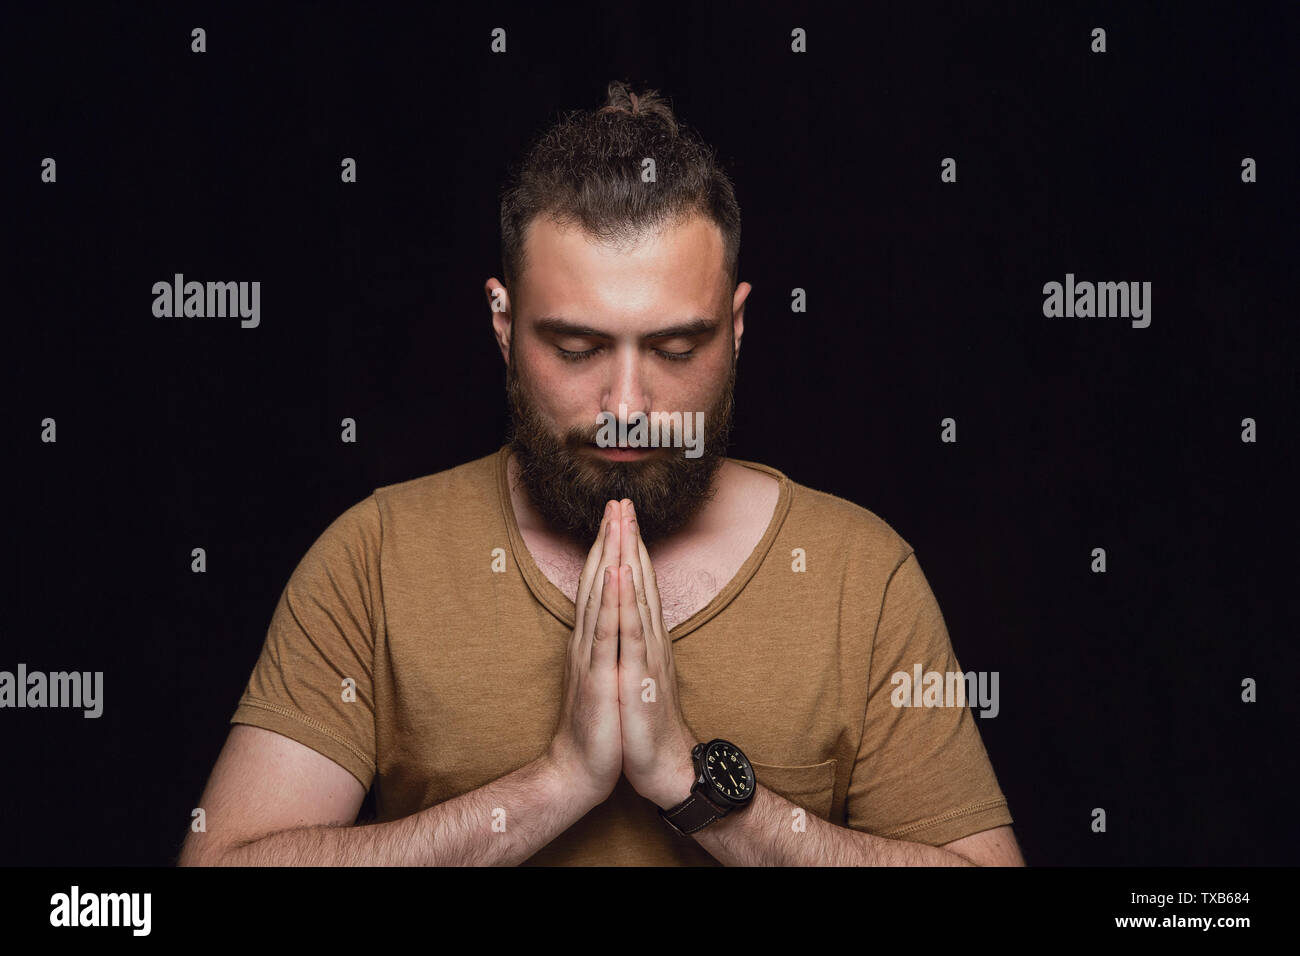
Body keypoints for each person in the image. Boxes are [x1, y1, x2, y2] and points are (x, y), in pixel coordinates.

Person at [178, 80, 1023, 866]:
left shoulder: (861, 576)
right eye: (576, 349)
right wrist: (558, 782)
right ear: (503, 325)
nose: (625, 404)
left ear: (736, 328)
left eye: (676, 348)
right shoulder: (374, 557)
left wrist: (702, 792)